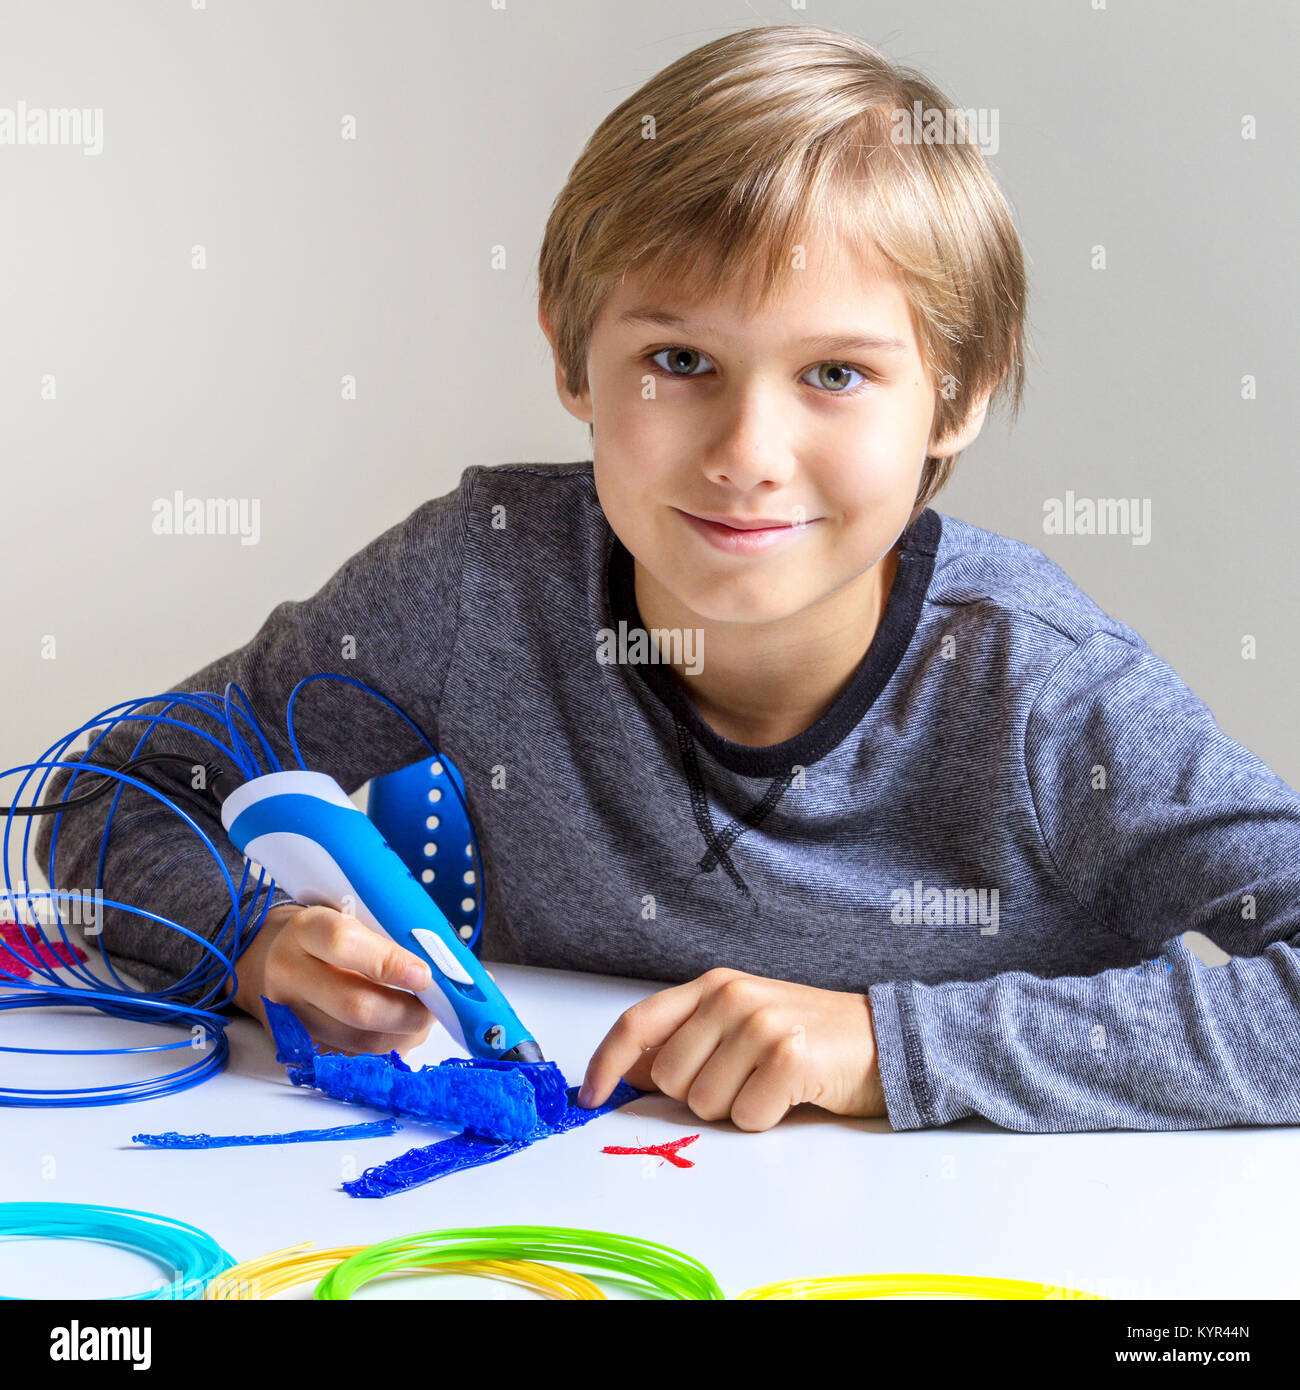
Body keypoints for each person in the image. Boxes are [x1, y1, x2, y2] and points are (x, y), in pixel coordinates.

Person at [38, 25, 1300, 1134]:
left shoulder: (1043, 692)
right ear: (572, 356)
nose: (748, 456)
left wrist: (887, 1047)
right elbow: (118, 790)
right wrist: (249, 943)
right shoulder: (478, 581)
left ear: (955, 394)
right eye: (680, 358)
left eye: (837, 374)